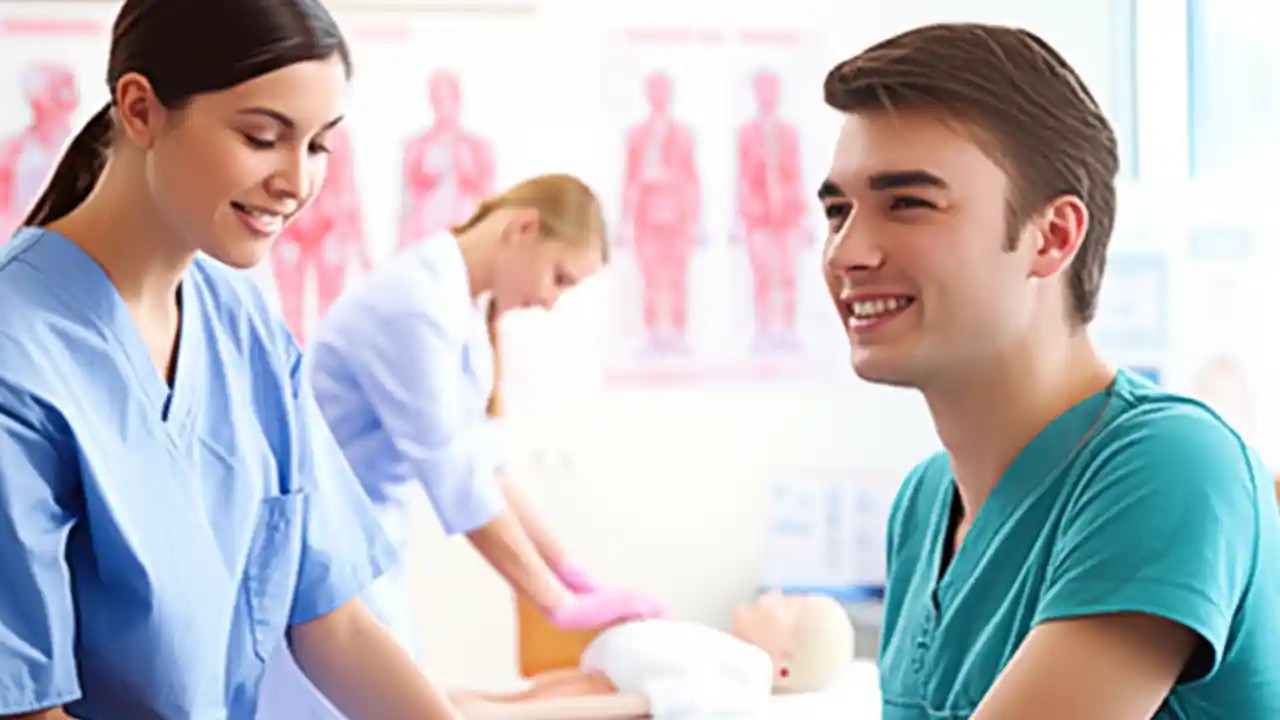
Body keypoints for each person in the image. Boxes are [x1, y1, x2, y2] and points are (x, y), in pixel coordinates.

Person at [0, 1, 467, 718]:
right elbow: (29, 706)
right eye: (261, 138)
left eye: (317, 147)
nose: (297, 182)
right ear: (140, 109)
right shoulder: (18, 351)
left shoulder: (243, 325)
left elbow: (334, 625)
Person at [819, 23, 1280, 720]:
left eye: (907, 203)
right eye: (836, 211)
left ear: (1053, 236)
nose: (847, 251)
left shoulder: (1168, 462)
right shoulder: (924, 504)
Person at [255, 173, 666, 718]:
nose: (549, 300)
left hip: (363, 551)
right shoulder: (412, 306)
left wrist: (570, 571)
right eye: (559, 277)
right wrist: (557, 604)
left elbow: (488, 464)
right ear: (523, 229)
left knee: (416, 698)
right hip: (324, 555)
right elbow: (462, 486)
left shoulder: (460, 306)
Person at [448, 590, 854, 719]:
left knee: (511, 708)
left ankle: (468, 708)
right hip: (598, 677)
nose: (775, 595)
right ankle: (465, 703)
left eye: (792, 606)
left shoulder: (745, 676)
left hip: (604, 692)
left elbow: (644, 704)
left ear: (785, 663)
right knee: (509, 698)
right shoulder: (728, 653)